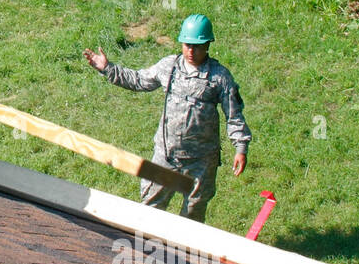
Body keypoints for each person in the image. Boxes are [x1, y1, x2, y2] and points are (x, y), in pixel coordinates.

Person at [83, 14, 249, 223]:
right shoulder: (169, 67)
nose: (191, 51)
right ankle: (145, 243)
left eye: (197, 46)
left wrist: (240, 148)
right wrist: (107, 68)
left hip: (202, 161)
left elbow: (234, 114)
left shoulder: (220, 77)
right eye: (187, 45)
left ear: (207, 45)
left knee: (194, 213)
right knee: (151, 208)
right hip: (166, 154)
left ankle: (183, 245)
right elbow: (138, 80)